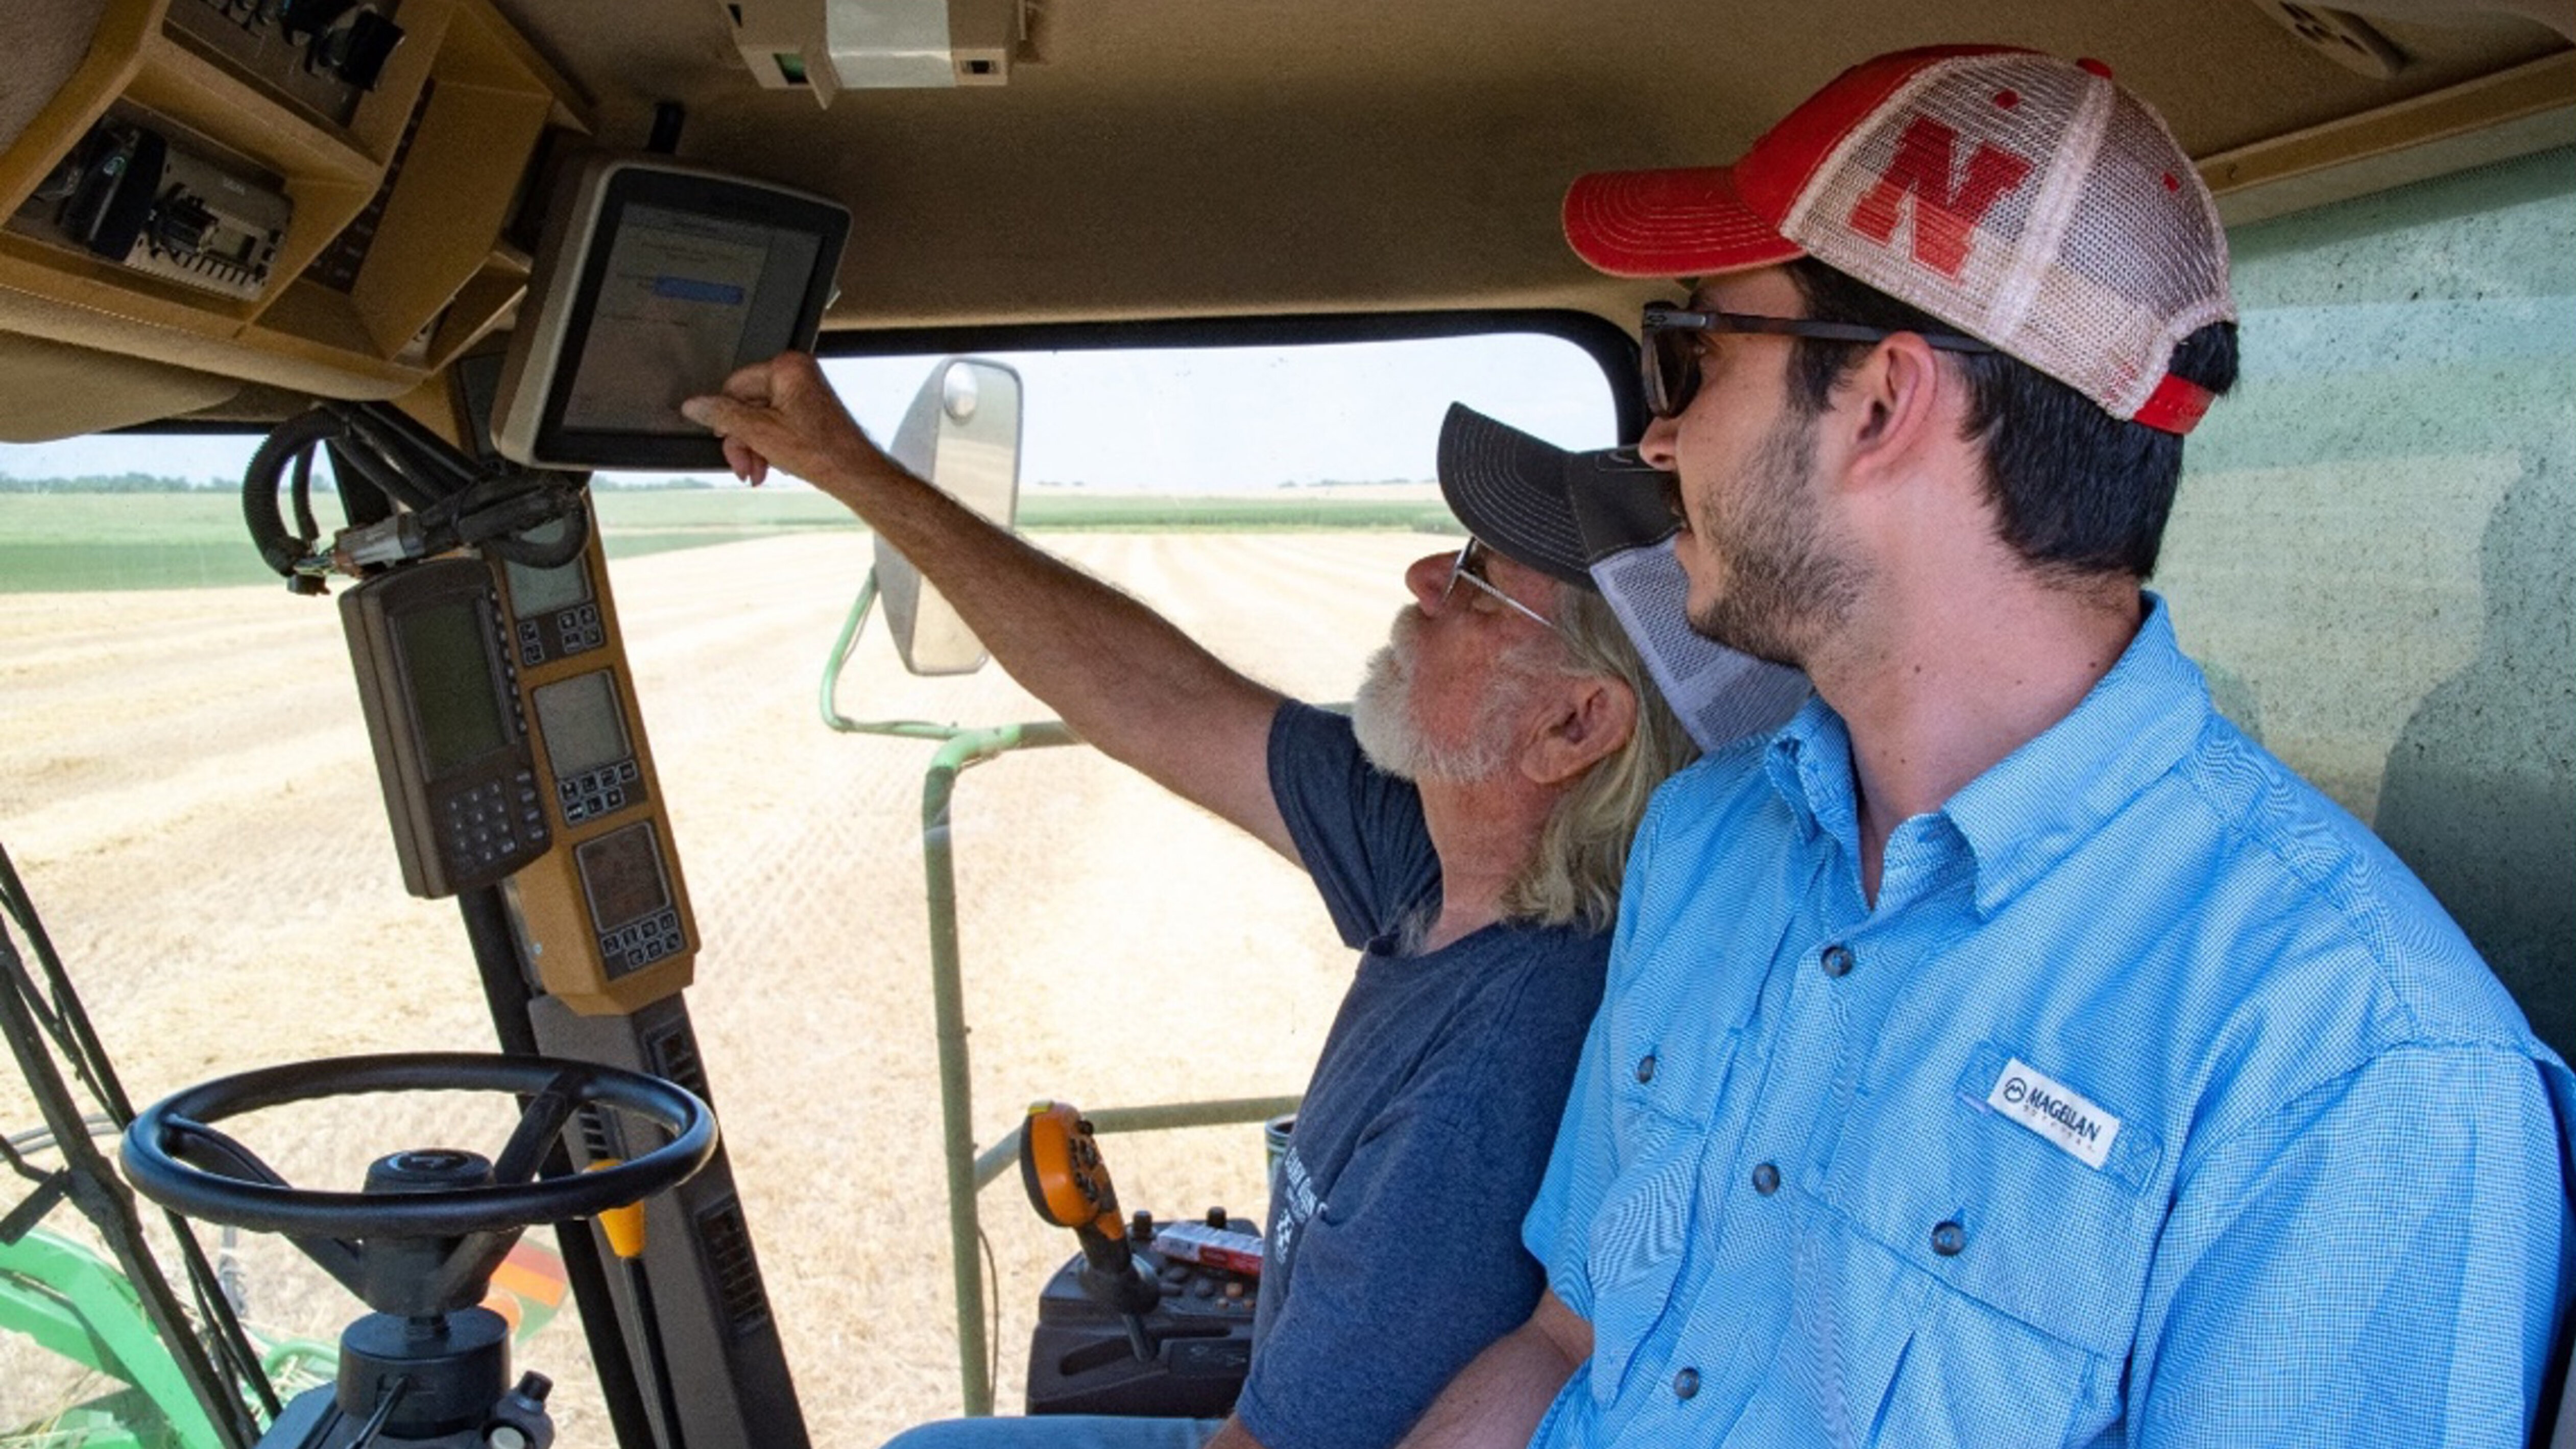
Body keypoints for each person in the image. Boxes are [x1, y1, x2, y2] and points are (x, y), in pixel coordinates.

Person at [1396, 44, 2576, 1448]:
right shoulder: (1707, 839)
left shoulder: (2354, 1062)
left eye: (1691, 357)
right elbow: (1569, 1340)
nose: (1658, 440)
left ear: (1881, 404)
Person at [681, 368, 1773, 1449]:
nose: (1423, 577)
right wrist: (853, 468)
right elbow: (1150, 695)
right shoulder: (1444, 859)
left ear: (1574, 727)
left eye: (1477, 582)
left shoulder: (1492, 1072)